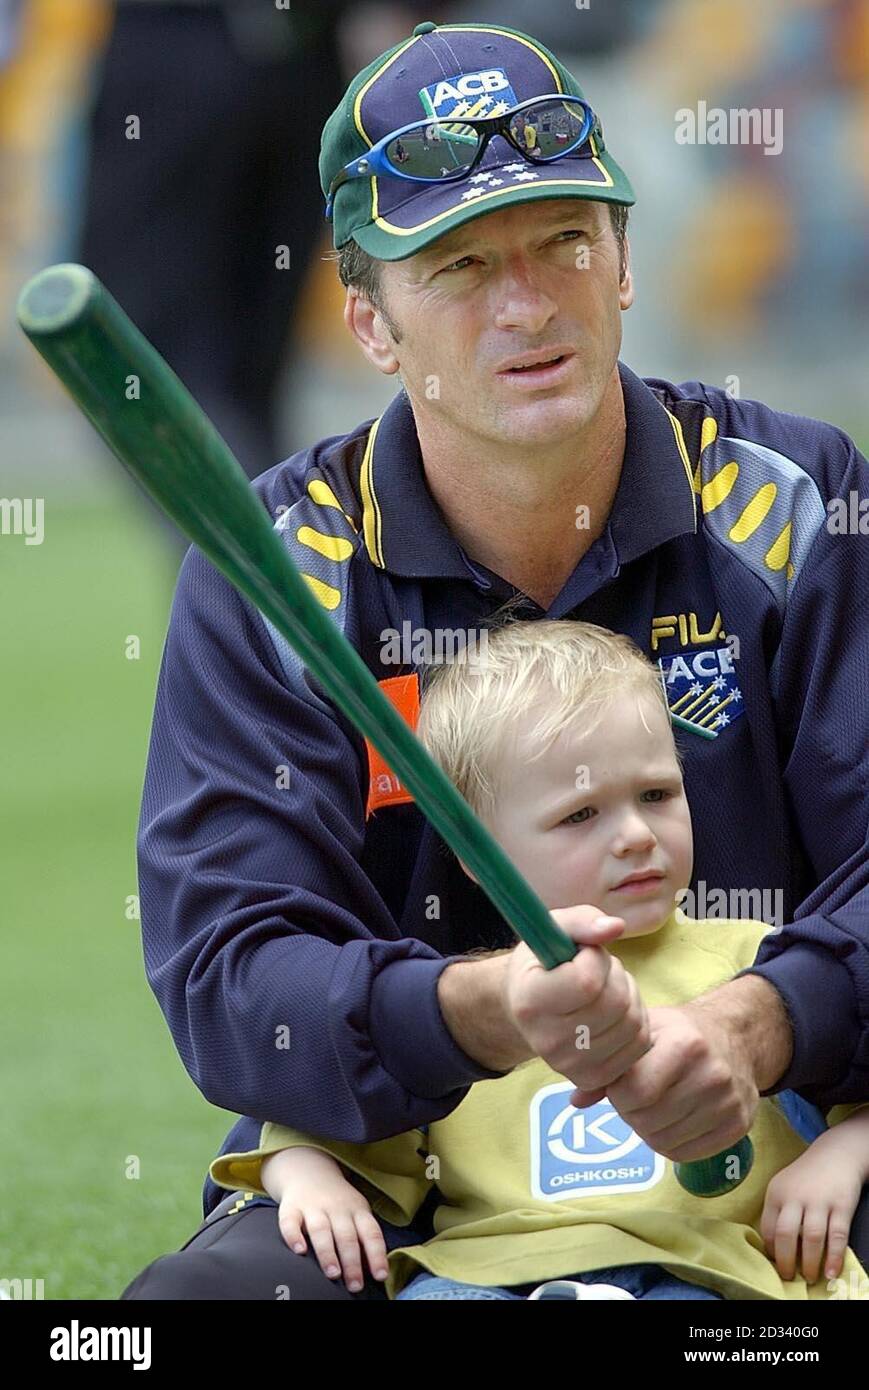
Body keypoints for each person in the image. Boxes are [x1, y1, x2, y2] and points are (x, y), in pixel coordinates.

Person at [121, 20, 869, 1300]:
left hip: (787, 1147)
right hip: (394, 1169)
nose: (526, 304)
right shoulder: (272, 570)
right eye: (459, 267)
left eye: (562, 243)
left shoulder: (800, 501)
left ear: (622, 261)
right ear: (368, 318)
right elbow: (232, 964)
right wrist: (477, 1011)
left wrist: (760, 1023)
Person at [208, 620, 869, 1302]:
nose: (636, 836)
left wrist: (839, 1156)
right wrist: (304, 1177)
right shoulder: (471, 1004)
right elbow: (337, 1128)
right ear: (476, 854)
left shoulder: (757, 962)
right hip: (487, 1272)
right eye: (580, 815)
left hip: (700, 1270)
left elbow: (853, 1079)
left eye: (655, 795)